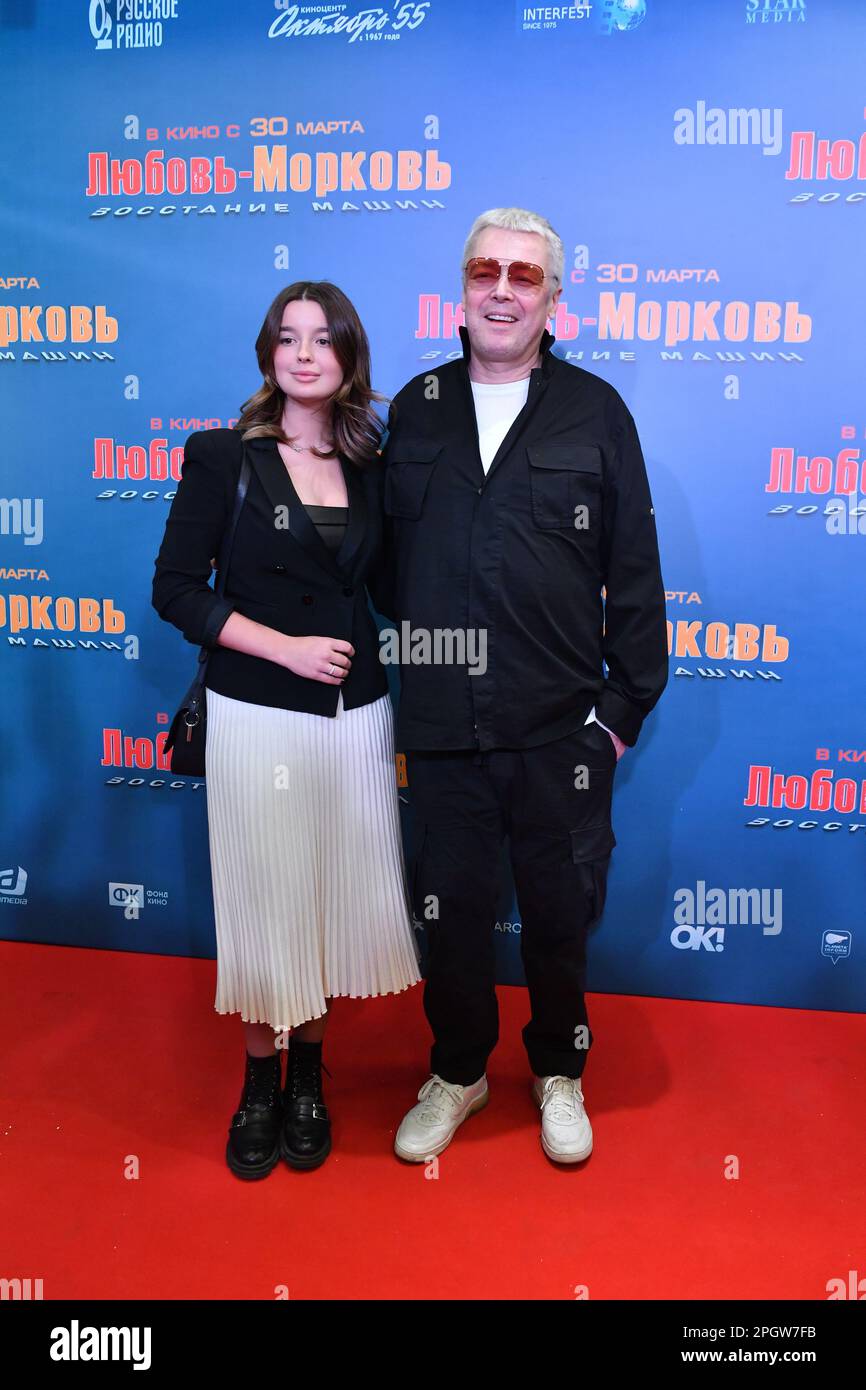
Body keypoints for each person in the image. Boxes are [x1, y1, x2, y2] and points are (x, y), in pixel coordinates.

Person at [382, 208, 668, 1165]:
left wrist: (616, 718)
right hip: (443, 720)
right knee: (449, 912)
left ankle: (559, 1072)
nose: (502, 289)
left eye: (525, 275)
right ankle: (458, 1072)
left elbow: (633, 574)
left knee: (558, 914)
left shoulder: (597, 411)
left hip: (558, 729)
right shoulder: (415, 407)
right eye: (484, 271)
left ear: (554, 298)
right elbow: (384, 568)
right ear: (460, 288)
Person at [152, 281, 421, 1180]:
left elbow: (393, 594)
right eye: (287, 337)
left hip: (354, 719)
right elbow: (177, 590)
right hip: (257, 714)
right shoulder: (222, 455)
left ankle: (311, 1070)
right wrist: (286, 650)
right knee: (267, 900)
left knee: (325, 897)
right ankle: (260, 1080)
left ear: (349, 354)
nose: (304, 353)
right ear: (268, 352)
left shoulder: (372, 465)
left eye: (323, 338)